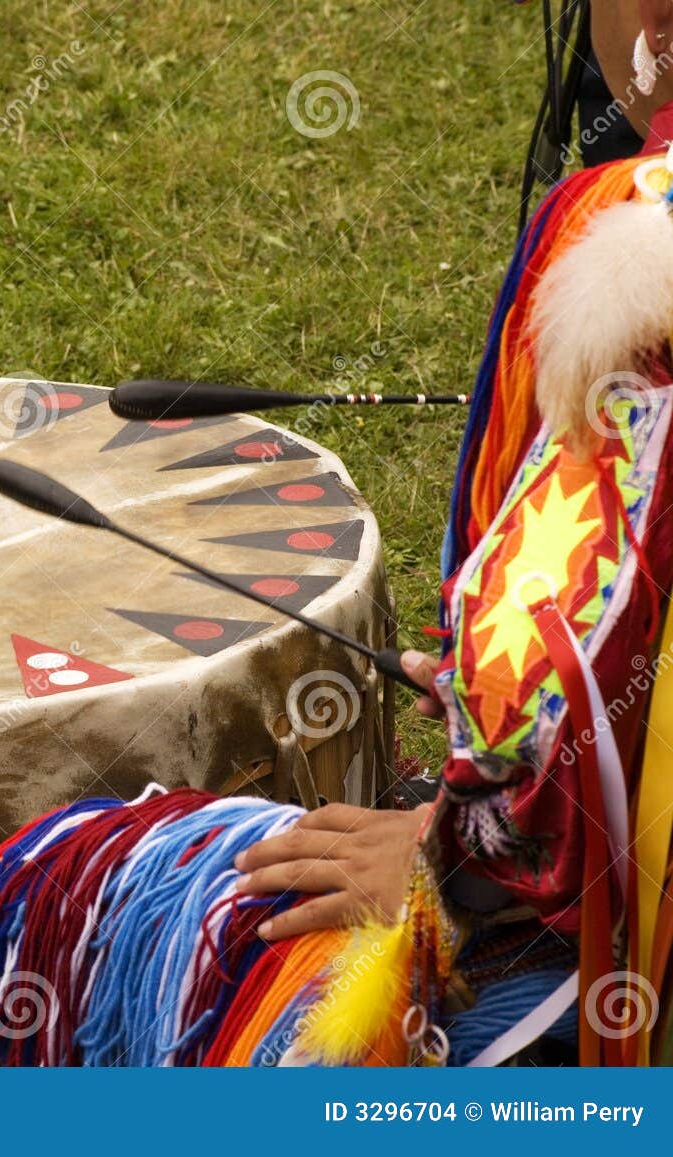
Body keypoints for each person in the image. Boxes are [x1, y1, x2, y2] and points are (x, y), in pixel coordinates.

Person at [230, 0, 673, 1065]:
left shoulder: (636, 235)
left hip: (630, 946)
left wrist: (454, 854)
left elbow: (573, 637)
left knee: (135, 912)